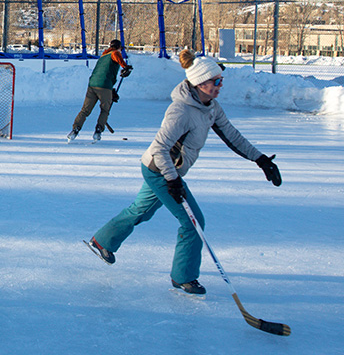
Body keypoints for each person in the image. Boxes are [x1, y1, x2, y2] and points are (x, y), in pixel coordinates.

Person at [84, 49, 281, 295]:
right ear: (199, 83)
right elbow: (159, 149)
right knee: (193, 222)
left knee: (140, 210)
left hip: (166, 172)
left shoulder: (211, 107)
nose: (220, 86)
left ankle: (102, 241)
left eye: (221, 81)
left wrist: (261, 160)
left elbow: (231, 135)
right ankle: (183, 277)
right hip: (160, 170)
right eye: (215, 81)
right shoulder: (181, 111)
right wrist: (172, 180)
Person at [68, 39, 132, 142]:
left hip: (92, 85)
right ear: (118, 47)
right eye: (121, 48)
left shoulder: (103, 56)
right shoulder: (115, 53)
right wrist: (125, 67)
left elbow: (104, 72)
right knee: (105, 109)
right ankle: (98, 130)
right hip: (104, 86)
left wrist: (111, 91)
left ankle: (75, 129)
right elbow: (118, 59)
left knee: (85, 110)